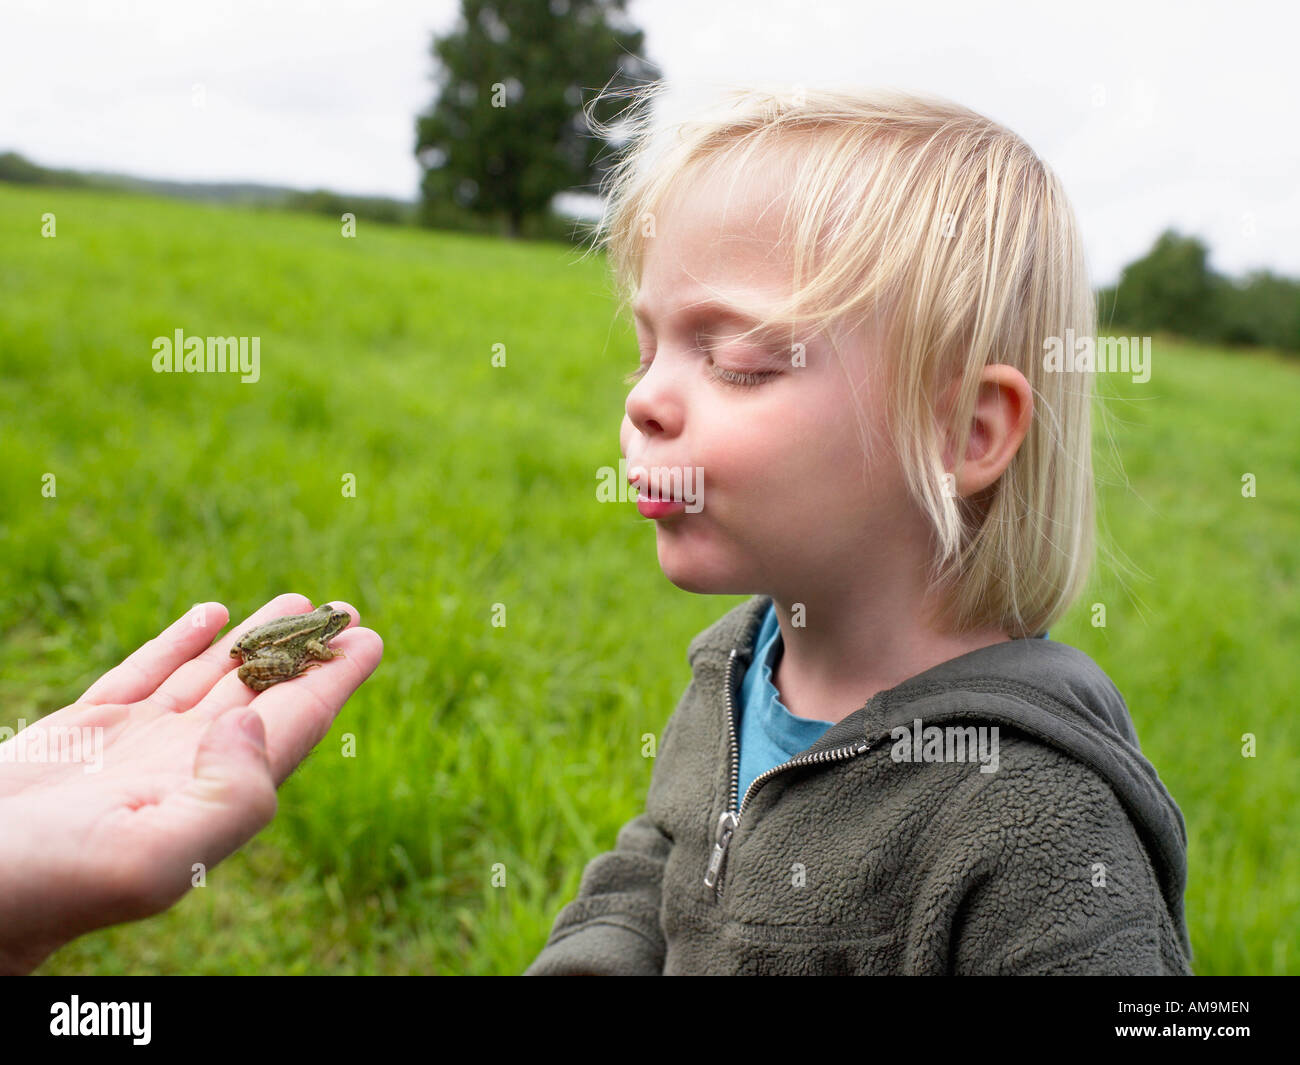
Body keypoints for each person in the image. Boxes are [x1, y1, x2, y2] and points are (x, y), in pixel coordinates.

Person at [526, 84, 1192, 975]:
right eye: (648, 351)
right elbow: (658, 864)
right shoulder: (736, 666)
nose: (642, 400)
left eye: (738, 362)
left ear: (966, 432)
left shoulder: (1039, 830)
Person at [0, 593, 382, 975]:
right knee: (296, 659)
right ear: (324, 623)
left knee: (289, 654)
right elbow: (317, 647)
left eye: (331, 622)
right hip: (268, 652)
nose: (337, 625)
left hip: (253, 644)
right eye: (332, 623)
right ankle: (289, 668)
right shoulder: (318, 634)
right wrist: (326, 655)